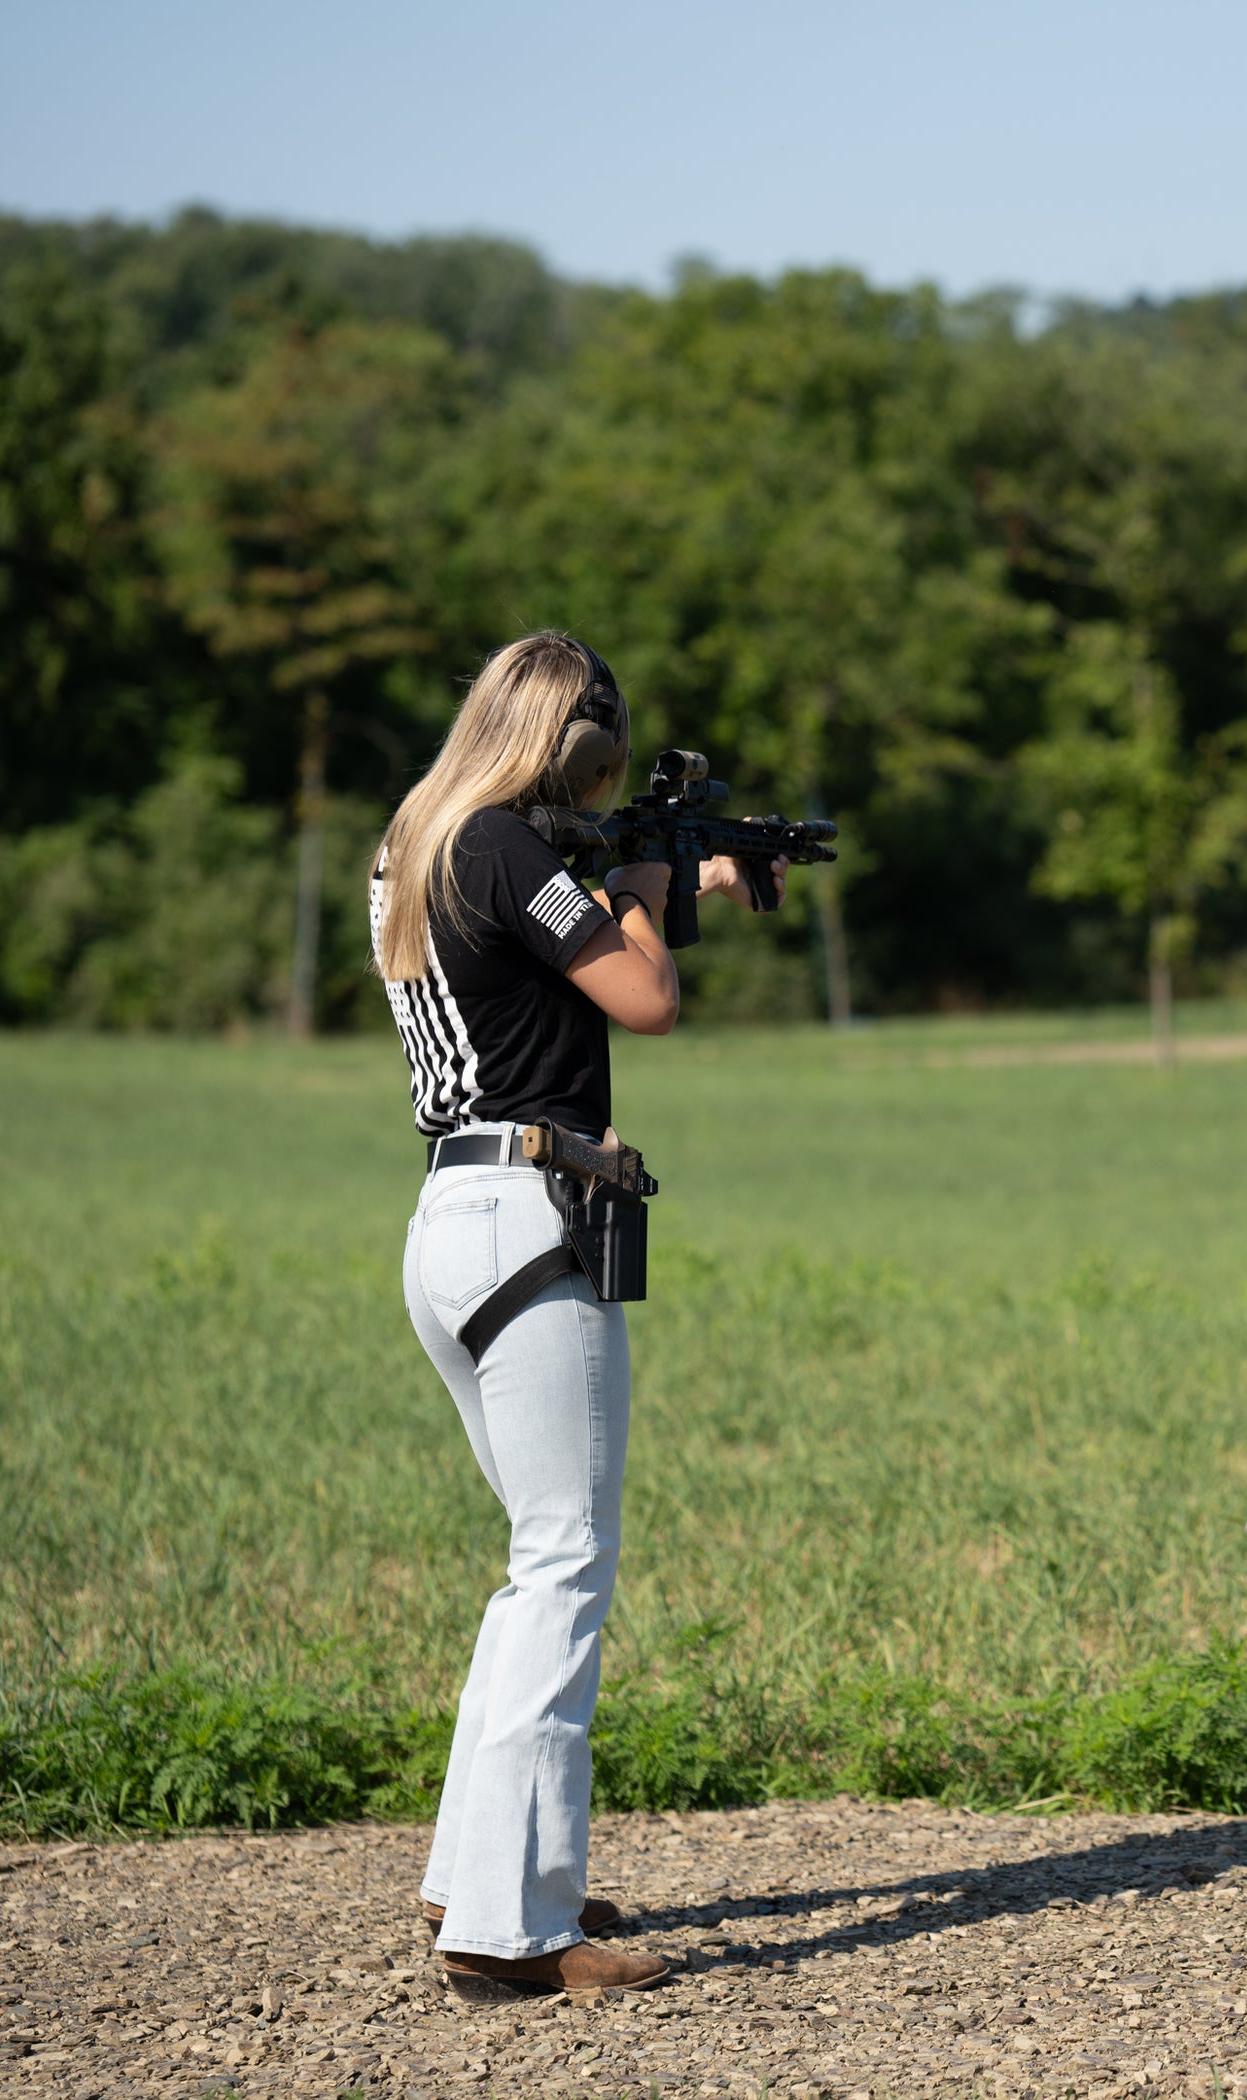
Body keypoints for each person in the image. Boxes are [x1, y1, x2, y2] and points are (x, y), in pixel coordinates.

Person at [371, 633, 779, 1995]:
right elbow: (644, 998)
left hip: (451, 1217)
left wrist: (645, 876)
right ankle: (509, 1934)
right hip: (535, 1214)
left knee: (529, 1564)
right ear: (554, 742)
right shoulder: (500, 849)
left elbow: (534, 965)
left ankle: (469, 1881)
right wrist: (647, 888)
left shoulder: (418, 842)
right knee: (565, 1569)